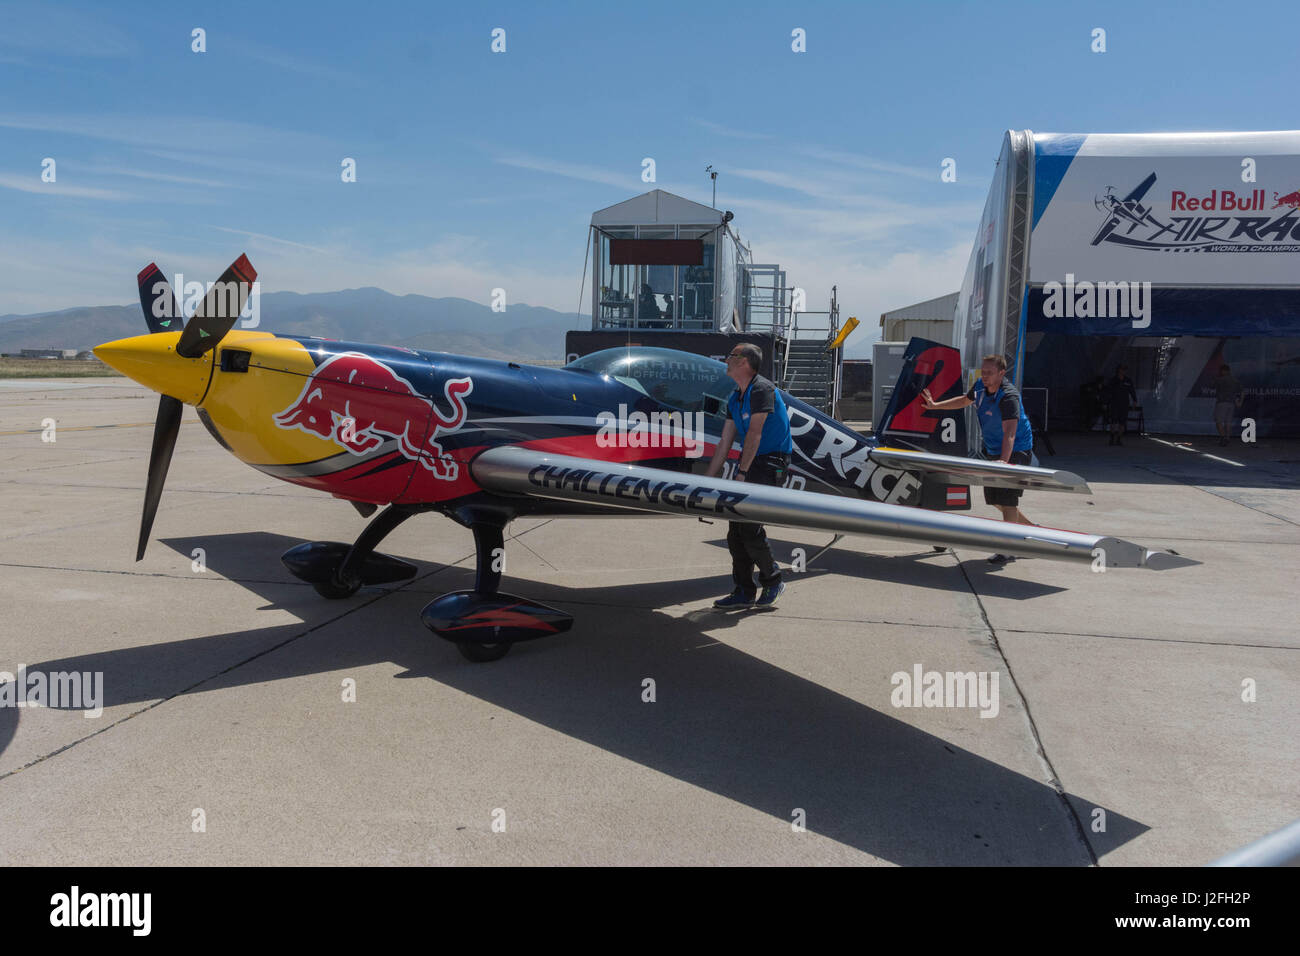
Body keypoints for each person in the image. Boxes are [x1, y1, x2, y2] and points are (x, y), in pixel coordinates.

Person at [921, 353, 1035, 565]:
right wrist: (936, 406)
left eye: (989, 373)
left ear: (1001, 373)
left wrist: (1004, 461)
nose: (985, 376)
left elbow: (1010, 432)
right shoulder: (981, 387)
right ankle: (1032, 531)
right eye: (983, 372)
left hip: (1016, 450)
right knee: (996, 500)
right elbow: (965, 400)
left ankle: (1008, 549)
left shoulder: (1008, 396)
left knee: (1008, 500)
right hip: (993, 448)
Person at [705, 343, 792, 608]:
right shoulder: (735, 396)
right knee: (735, 531)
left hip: (771, 462)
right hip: (752, 461)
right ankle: (743, 591)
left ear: (744, 362)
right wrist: (707, 480)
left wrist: (741, 473)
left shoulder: (762, 389)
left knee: (749, 527)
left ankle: (773, 580)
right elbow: (725, 441)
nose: (726, 359)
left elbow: (754, 433)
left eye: (731, 356)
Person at [1105, 365, 1137, 446]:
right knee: (1113, 422)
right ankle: (1112, 438)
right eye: (1122, 369)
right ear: (1118, 370)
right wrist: (1105, 403)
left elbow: (1132, 391)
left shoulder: (1128, 380)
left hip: (1124, 404)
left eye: (1124, 369)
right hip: (1114, 404)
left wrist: (1135, 401)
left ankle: (1119, 439)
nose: (1123, 371)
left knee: (1122, 422)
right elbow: (1108, 392)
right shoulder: (1113, 380)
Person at [1213, 364, 1243, 446]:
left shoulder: (1220, 380)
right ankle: (1227, 438)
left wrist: (1217, 377)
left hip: (1222, 402)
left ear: (1223, 371)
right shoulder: (1235, 380)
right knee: (1228, 422)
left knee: (1218, 421)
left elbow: (1213, 385)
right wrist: (1240, 402)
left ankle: (1223, 438)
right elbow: (1242, 392)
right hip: (1231, 404)